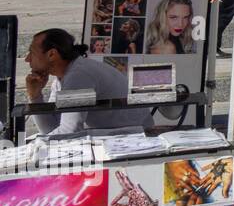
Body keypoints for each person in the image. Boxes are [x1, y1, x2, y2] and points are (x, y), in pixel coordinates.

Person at [24, 28, 153, 135]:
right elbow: (51, 128)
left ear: (52, 54)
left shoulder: (78, 76)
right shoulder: (63, 77)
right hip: (120, 136)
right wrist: (35, 97)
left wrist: (36, 145)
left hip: (136, 137)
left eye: (32, 53)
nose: (27, 59)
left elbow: (70, 131)